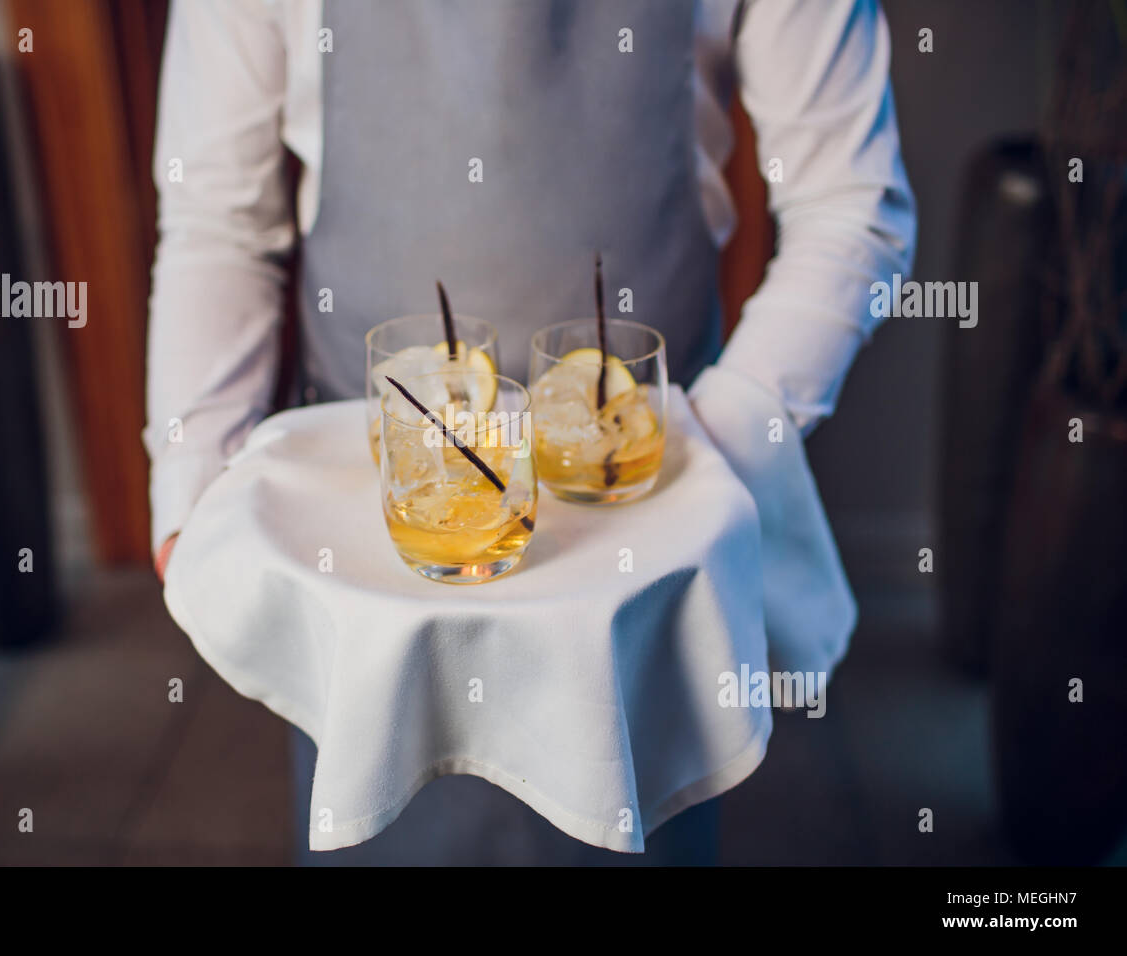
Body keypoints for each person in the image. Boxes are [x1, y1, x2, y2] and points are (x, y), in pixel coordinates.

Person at [144, 0, 915, 865]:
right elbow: (219, 224)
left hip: (638, 520)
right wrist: (191, 474)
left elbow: (852, 204)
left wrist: (716, 454)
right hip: (375, 531)